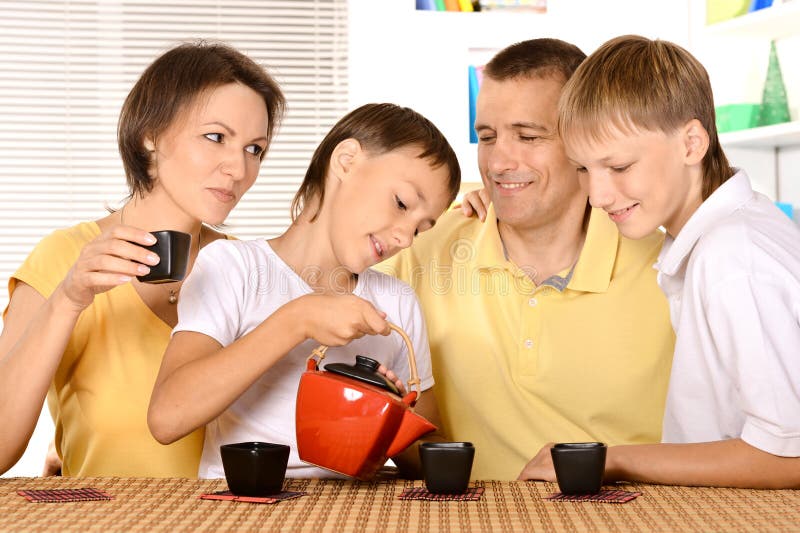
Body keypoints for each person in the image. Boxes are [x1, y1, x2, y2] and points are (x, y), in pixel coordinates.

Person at [377, 38, 675, 481]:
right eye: (488, 137)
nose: (499, 161)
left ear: (584, 140)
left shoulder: (668, 267)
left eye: (528, 136)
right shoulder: (423, 245)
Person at [521, 35, 800, 488]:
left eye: (619, 166)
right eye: (583, 169)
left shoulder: (732, 258)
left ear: (691, 144)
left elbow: (790, 457)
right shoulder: (718, 236)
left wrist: (611, 460)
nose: (597, 195)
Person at [0, 41, 285, 477]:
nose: (239, 168)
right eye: (216, 137)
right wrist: (69, 298)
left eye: (255, 149)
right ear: (148, 134)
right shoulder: (65, 257)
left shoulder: (248, 268)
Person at [147, 103, 461, 479]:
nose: (405, 237)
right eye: (401, 204)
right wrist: (297, 320)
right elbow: (167, 417)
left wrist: (392, 413)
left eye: (421, 228)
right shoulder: (234, 268)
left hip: (360, 514)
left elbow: (429, 457)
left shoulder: (397, 303)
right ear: (346, 161)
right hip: (246, 508)